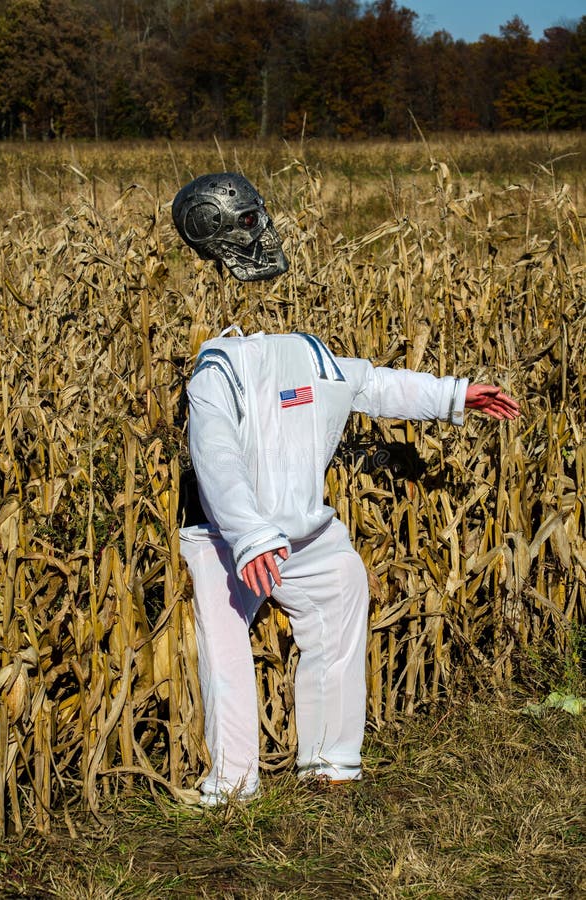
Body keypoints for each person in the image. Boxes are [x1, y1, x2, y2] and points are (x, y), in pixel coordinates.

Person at [173, 173, 521, 806]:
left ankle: (330, 764)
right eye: (246, 222)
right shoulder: (215, 370)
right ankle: (234, 784)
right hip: (225, 540)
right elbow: (215, 454)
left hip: (305, 533)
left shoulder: (309, 354)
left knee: (342, 587)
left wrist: (455, 395)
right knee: (225, 647)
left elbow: (374, 383)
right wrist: (249, 537)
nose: (263, 231)